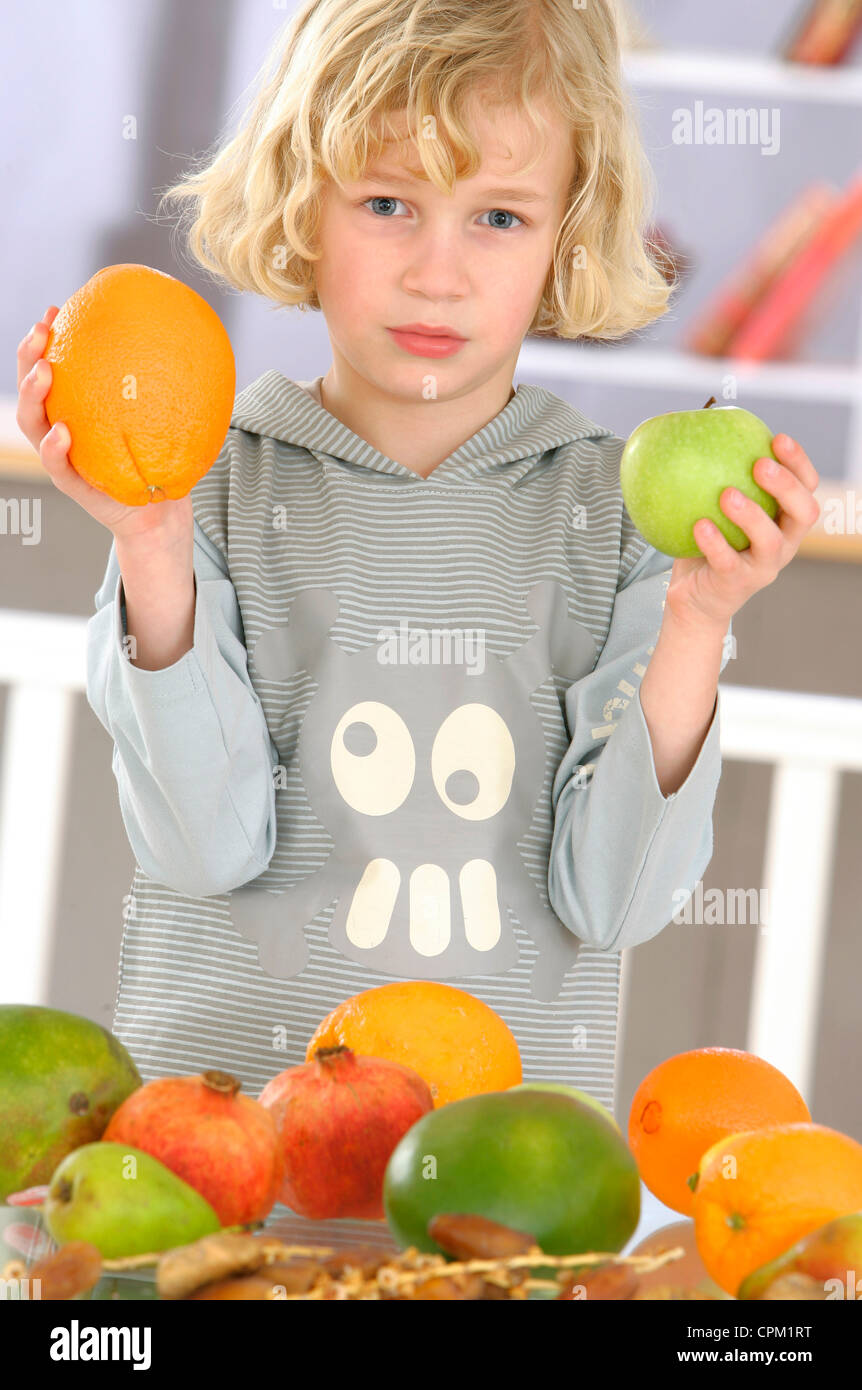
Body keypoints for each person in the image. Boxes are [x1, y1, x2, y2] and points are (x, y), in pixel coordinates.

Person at [17, 0, 820, 1134]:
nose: (438, 274)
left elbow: (619, 895)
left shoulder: (620, 519)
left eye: (497, 216)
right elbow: (204, 843)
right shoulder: (197, 487)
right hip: (215, 1187)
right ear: (305, 209)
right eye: (388, 203)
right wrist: (149, 544)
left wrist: (696, 620)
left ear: (567, 236)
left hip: (497, 1212)